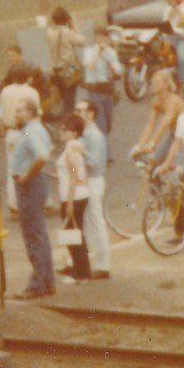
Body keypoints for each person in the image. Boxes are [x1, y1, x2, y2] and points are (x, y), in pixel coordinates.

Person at [7, 95, 56, 300]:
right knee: (40, 234)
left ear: (29, 112)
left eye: (19, 111)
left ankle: (36, 285)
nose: (15, 114)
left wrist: (26, 175)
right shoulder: (39, 128)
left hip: (30, 186)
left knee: (33, 236)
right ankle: (47, 282)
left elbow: (42, 156)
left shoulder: (30, 130)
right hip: (36, 185)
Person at [72, 101, 112, 280]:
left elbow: (94, 163)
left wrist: (79, 154)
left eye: (80, 110)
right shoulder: (81, 133)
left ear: (90, 114)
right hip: (83, 182)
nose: (76, 113)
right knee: (83, 222)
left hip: (93, 182)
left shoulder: (94, 136)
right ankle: (77, 262)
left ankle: (103, 266)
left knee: (96, 223)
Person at [55, 113, 91, 282]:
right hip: (78, 196)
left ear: (75, 133)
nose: (61, 131)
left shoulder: (71, 151)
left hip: (73, 198)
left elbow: (74, 177)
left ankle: (81, 273)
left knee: (74, 236)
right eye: (61, 128)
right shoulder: (74, 148)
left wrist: (69, 203)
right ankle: (80, 268)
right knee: (75, 235)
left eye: (66, 129)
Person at [80, 24, 120, 139]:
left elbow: (118, 72)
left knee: (108, 122)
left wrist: (114, 69)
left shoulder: (111, 52)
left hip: (108, 90)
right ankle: (104, 149)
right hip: (94, 91)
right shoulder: (88, 52)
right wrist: (98, 53)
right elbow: (90, 67)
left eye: (102, 36)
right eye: (97, 36)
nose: (99, 38)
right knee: (100, 123)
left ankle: (102, 141)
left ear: (107, 38)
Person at [46, 6, 87, 115]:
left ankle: (66, 118)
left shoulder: (49, 32)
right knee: (70, 100)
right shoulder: (67, 32)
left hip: (56, 70)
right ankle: (69, 121)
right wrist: (74, 26)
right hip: (68, 70)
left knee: (64, 98)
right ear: (67, 19)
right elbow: (82, 41)